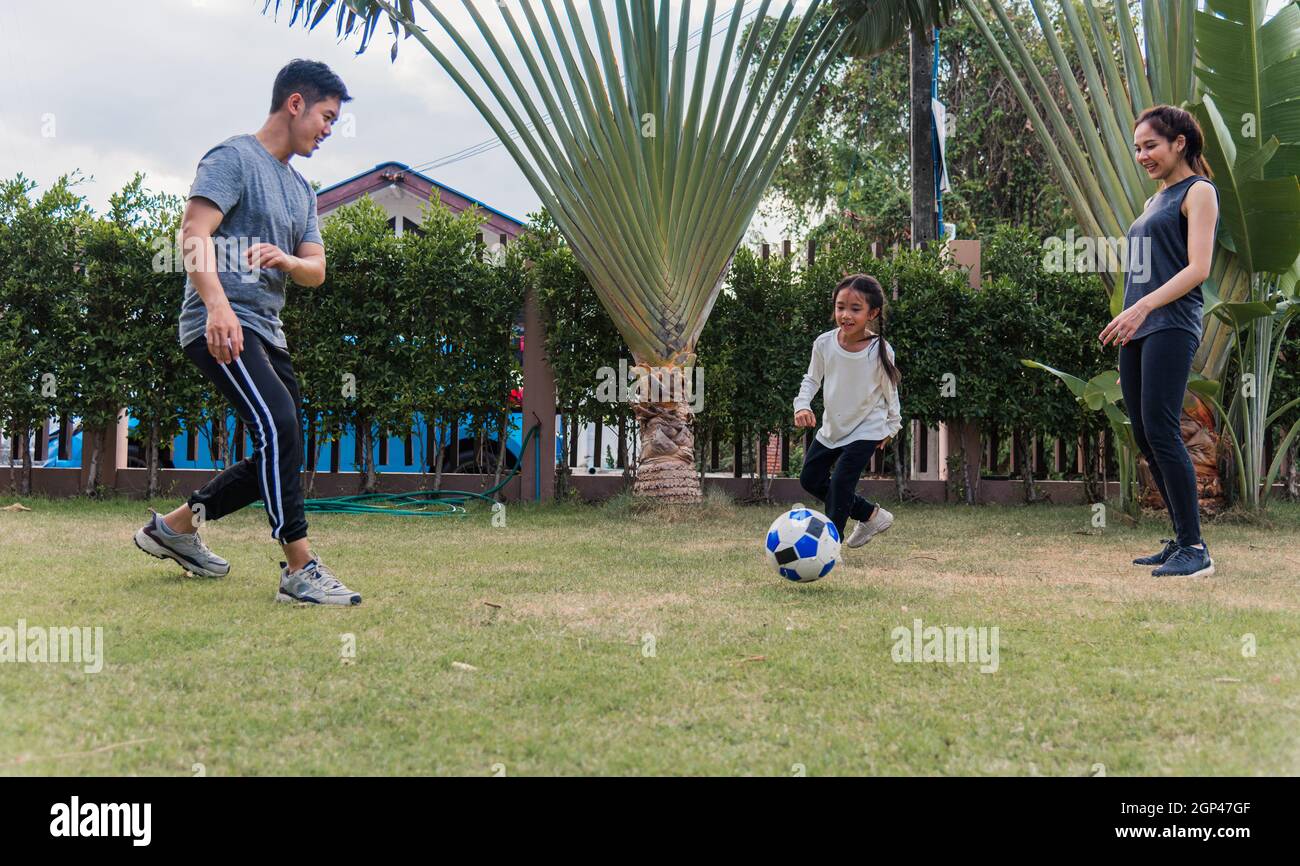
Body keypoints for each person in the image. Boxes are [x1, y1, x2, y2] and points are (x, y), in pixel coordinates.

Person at [133, 59, 362, 605]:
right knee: (280, 425)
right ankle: (299, 568)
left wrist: (286, 258)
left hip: (266, 330)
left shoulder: (301, 191)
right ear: (295, 103)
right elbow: (193, 232)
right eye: (326, 117)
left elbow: (316, 270)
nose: (329, 129)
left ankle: (174, 529)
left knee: (279, 449)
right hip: (220, 325)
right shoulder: (233, 159)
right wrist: (216, 306)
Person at [1100, 104, 1220, 579]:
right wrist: (1131, 314)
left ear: (1179, 144)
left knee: (1163, 429)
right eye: (1137, 148)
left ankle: (1196, 547)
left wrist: (1145, 307)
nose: (1142, 155)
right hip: (1141, 328)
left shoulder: (1199, 192)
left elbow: (1199, 269)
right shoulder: (1155, 201)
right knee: (1147, 434)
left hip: (1172, 324)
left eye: (1150, 145)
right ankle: (1180, 539)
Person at [794, 273, 902, 548]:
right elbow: (811, 379)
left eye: (855, 309)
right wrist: (802, 405)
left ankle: (830, 547)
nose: (846, 315)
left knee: (841, 481)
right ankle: (870, 515)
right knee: (810, 479)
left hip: (867, 427)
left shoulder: (879, 350)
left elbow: (891, 391)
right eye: (841, 307)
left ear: (872, 313)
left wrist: (892, 426)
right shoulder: (824, 343)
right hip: (833, 427)